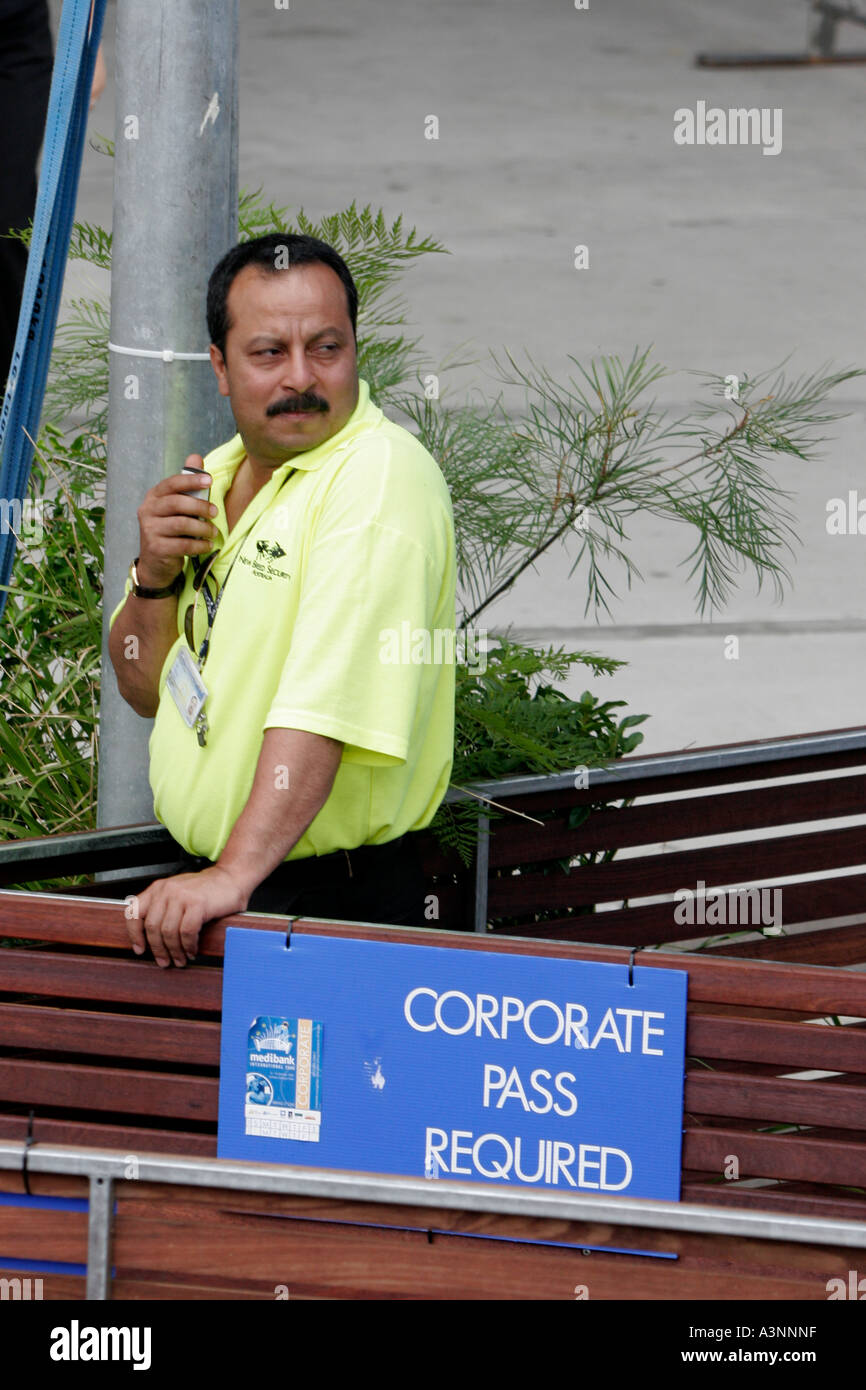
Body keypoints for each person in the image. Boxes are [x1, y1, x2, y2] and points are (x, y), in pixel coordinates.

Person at [107, 233, 456, 968]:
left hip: (318, 903)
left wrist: (232, 875)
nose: (301, 377)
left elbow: (322, 713)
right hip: (212, 891)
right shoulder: (219, 474)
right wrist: (155, 576)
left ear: (356, 349)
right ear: (221, 368)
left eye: (325, 348)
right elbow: (145, 691)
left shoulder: (376, 480)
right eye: (269, 353)